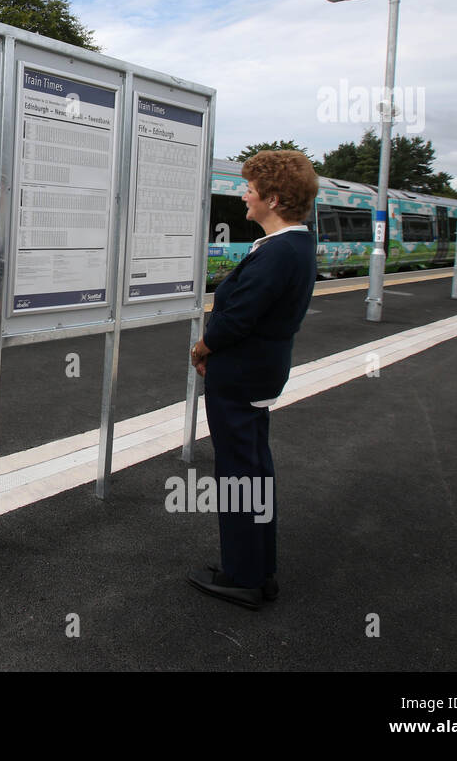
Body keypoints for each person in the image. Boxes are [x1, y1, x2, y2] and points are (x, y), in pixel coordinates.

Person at [186, 150, 319, 610]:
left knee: (238, 473)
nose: (245, 194)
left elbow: (237, 319)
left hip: (241, 377)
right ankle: (260, 571)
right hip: (261, 373)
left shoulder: (278, 251)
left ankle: (242, 576)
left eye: (251, 188)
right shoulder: (297, 245)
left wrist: (204, 348)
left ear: (274, 199)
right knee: (255, 467)